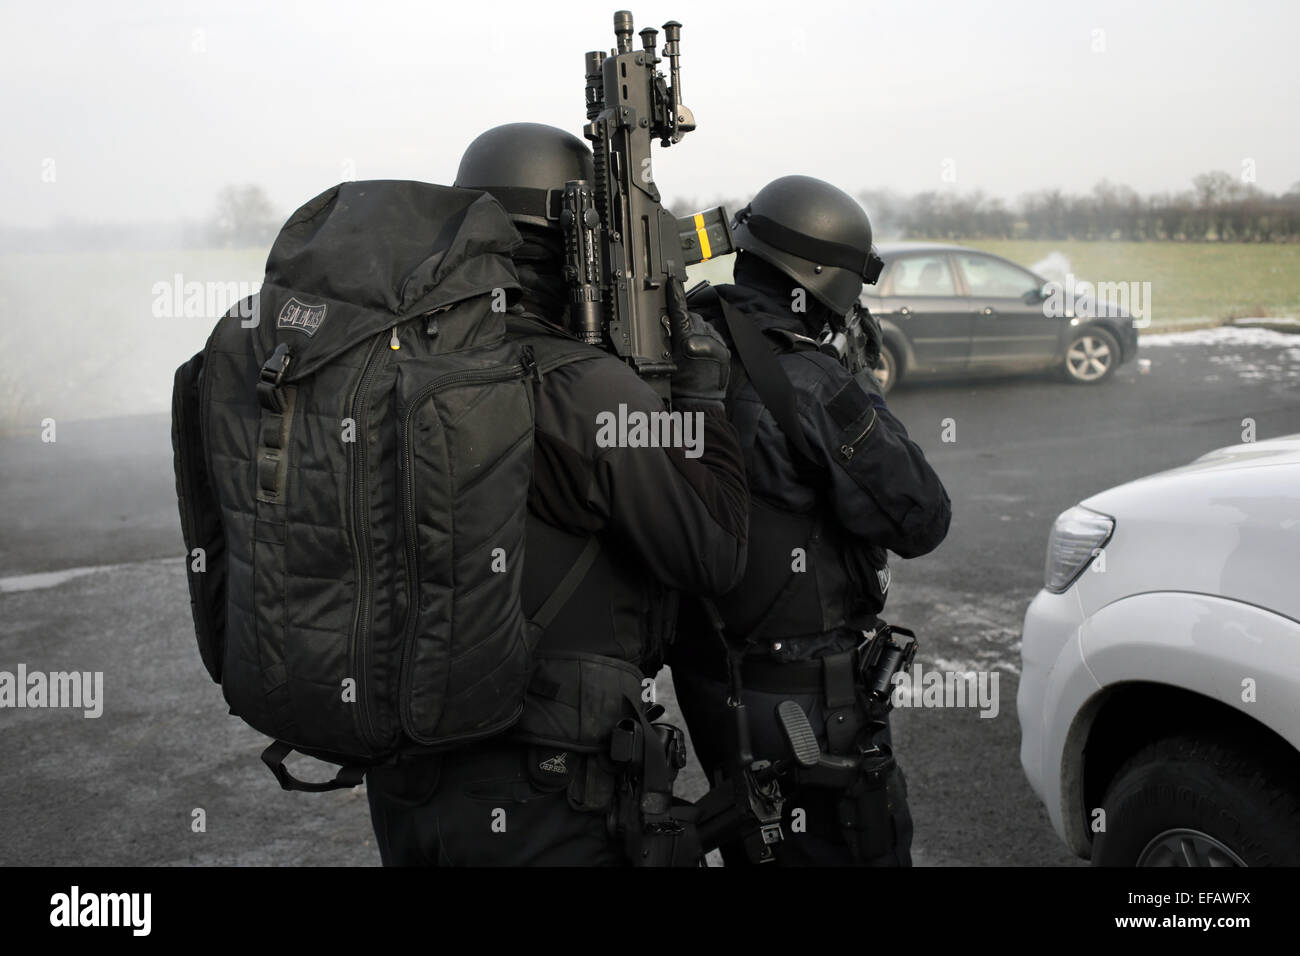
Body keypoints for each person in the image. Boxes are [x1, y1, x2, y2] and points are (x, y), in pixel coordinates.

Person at [364, 122, 749, 866]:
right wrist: (701, 400)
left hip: (407, 776)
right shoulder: (589, 391)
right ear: (576, 249)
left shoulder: (391, 368)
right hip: (543, 788)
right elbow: (715, 550)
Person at [670, 174, 952, 866]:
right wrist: (859, 390)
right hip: (801, 701)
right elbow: (921, 517)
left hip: (708, 676)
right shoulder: (808, 378)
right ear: (828, 280)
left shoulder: (679, 346)